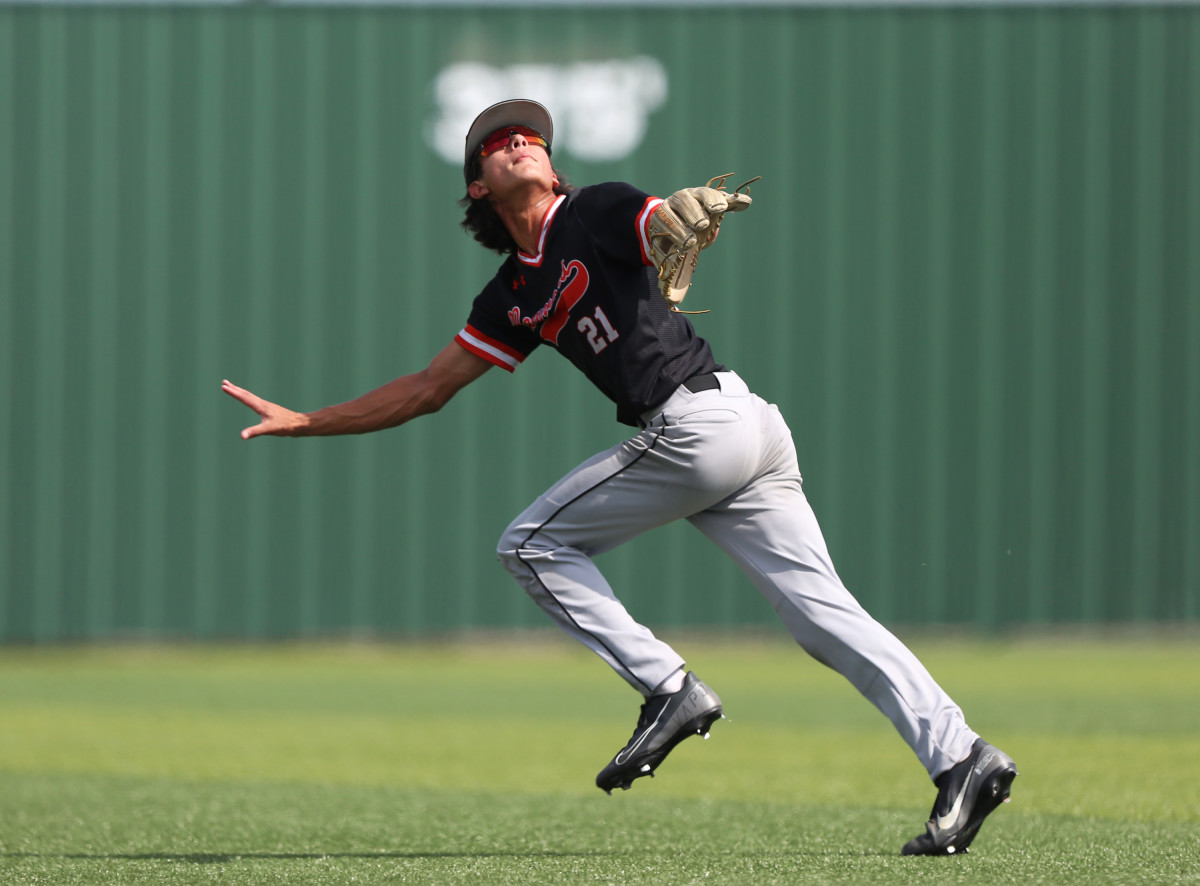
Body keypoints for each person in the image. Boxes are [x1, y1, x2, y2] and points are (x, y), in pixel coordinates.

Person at [222, 99, 1017, 855]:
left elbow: (654, 219)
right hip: (735, 434)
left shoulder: (591, 210)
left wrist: (676, 212)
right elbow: (428, 388)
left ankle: (670, 687)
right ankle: (962, 758)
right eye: (498, 142)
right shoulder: (512, 294)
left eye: (531, 137)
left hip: (708, 425)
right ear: (478, 186)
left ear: (551, 163)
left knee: (530, 544)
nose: (519, 142)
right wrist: (309, 419)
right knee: (821, 619)